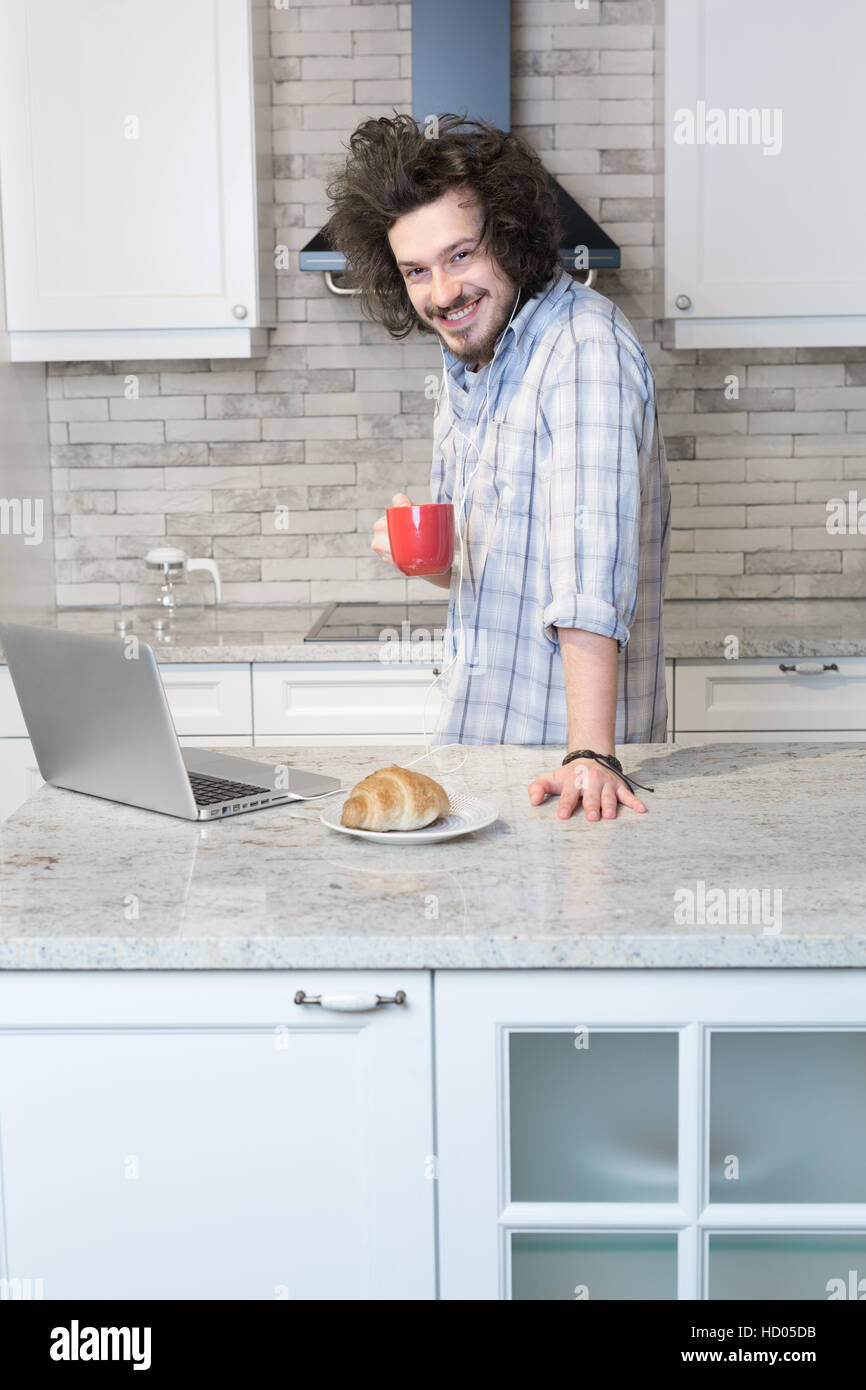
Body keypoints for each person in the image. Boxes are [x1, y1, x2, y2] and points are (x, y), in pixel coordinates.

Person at [324, 113, 670, 823]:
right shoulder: (469, 360)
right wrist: (424, 562)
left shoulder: (581, 348)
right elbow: (494, 566)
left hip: (560, 777)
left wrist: (591, 756)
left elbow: (589, 575)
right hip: (478, 756)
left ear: (508, 235)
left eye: (460, 256)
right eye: (417, 271)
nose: (442, 293)